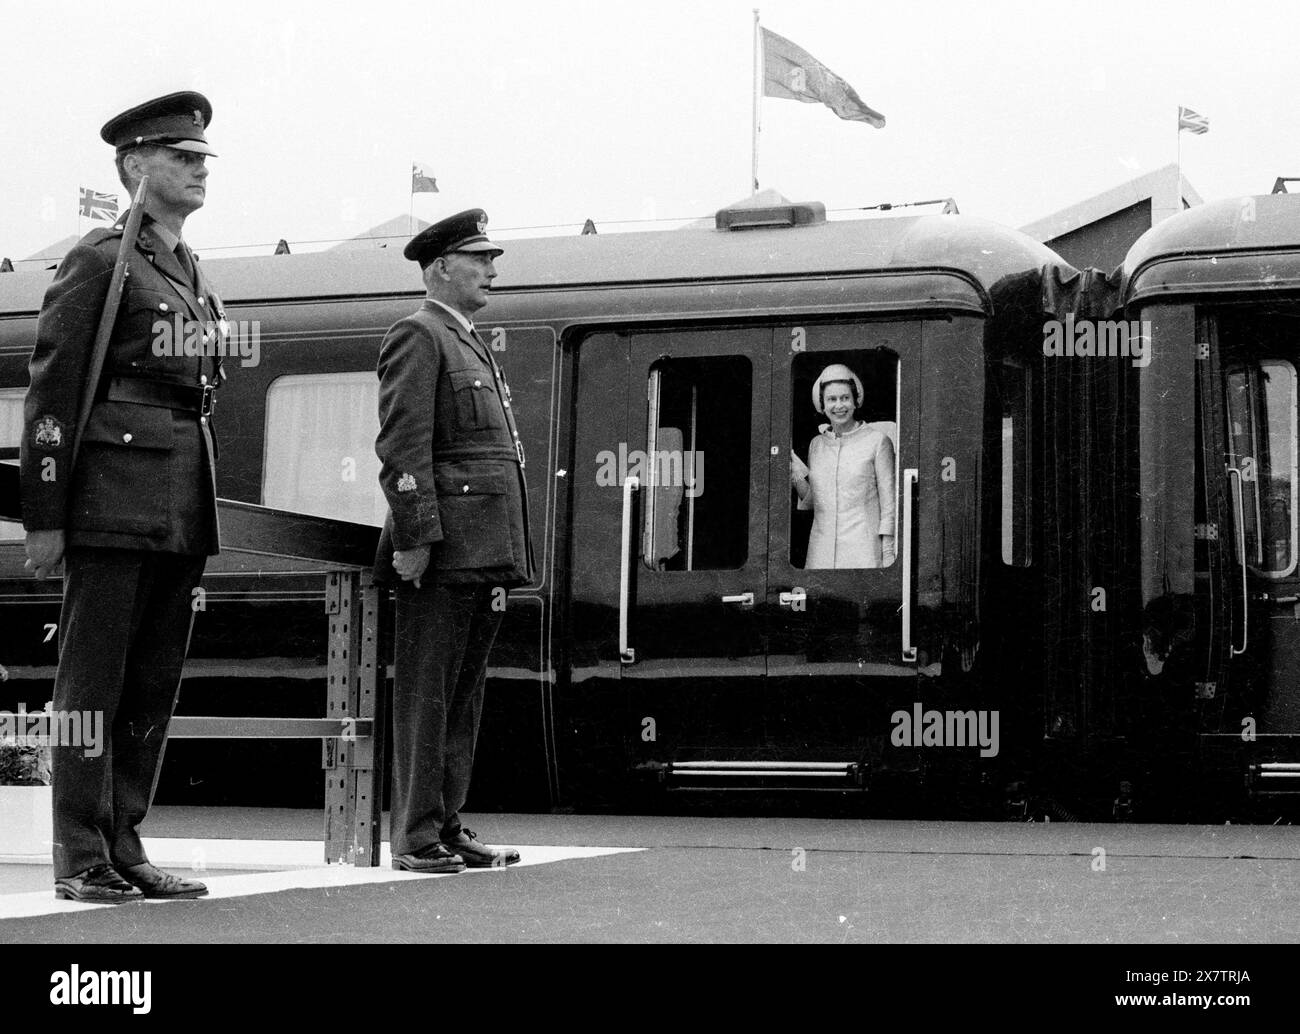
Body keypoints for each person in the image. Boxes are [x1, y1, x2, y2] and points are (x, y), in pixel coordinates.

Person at [20, 92, 227, 902]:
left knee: (151, 680)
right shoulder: (102, 260)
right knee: (92, 682)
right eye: (181, 157)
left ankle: (126, 840)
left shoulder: (188, 267)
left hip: (177, 496)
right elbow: (52, 394)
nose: (198, 169)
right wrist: (47, 517)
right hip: (110, 496)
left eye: (202, 159)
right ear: (137, 166)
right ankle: (81, 852)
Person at [375, 209, 533, 873]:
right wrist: (415, 537)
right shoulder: (420, 334)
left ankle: (446, 822)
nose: (493, 269)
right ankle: (415, 836)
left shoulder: (465, 340)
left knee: (462, 696)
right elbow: (402, 443)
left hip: (483, 549)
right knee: (427, 695)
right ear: (444, 266)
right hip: (442, 551)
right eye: (481, 258)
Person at [790, 363, 896, 569]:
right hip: (820, 555)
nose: (839, 405)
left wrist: (888, 554)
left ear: (856, 400)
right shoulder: (816, 445)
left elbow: (889, 505)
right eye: (831, 399)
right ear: (822, 404)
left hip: (863, 553)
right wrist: (794, 472)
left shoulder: (878, 441)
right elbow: (815, 501)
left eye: (845, 398)